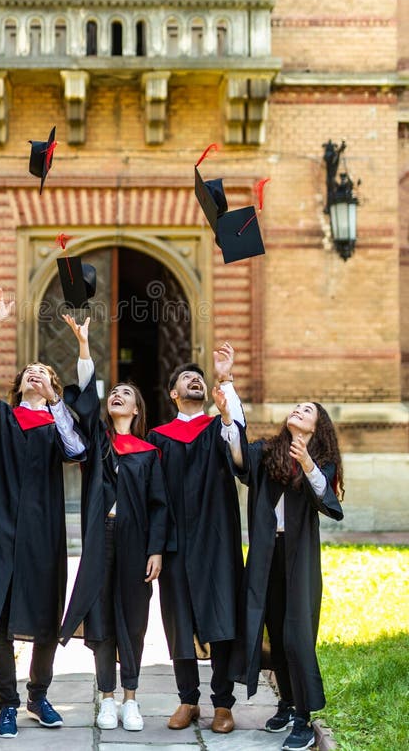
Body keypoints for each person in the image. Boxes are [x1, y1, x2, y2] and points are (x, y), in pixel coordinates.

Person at [0, 287, 87, 740]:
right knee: (1, 619)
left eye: (43, 373)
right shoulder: (1, 419)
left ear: (52, 387)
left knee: (46, 615)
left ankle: (38, 695)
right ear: (19, 383)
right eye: (28, 373)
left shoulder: (57, 421)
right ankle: (7, 701)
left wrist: (55, 404)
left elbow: (77, 450)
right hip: (0, 527)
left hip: (43, 532)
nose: (34, 375)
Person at [59, 314, 170, 732]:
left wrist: (157, 549)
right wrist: (84, 345)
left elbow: (160, 505)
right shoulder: (98, 443)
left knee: (134, 620)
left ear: (137, 409)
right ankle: (106, 698)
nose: (118, 396)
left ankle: (131, 698)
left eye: (127, 394)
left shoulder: (147, 452)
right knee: (101, 618)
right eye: (114, 393)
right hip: (101, 538)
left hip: (137, 543)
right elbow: (85, 399)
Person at [146, 347, 247, 734]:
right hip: (175, 542)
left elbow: (240, 453)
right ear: (173, 393)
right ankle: (188, 699)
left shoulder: (219, 429)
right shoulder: (159, 438)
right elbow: (154, 498)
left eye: (200, 378)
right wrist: (155, 546)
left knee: (221, 615)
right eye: (187, 378)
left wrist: (225, 381)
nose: (195, 380)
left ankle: (222, 703)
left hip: (216, 538)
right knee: (178, 619)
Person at [233, 402, 344, 751]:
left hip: (300, 557)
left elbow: (328, 503)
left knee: (297, 634)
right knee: (275, 630)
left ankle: (305, 717)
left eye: (307, 409)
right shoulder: (267, 452)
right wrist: (228, 405)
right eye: (296, 407)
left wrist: (308, 463)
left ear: (317, 426)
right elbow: (238, 459)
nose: (298, 410)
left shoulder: (322, 463)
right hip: (267, 554)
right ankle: (286, 702)